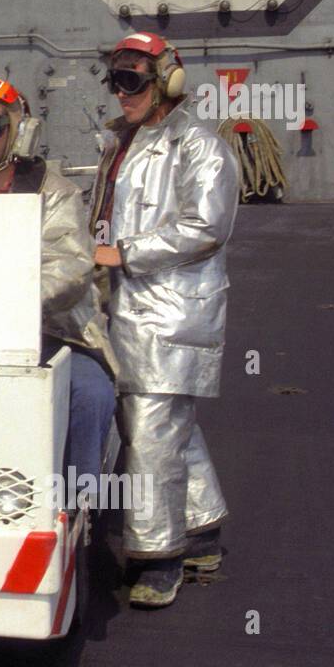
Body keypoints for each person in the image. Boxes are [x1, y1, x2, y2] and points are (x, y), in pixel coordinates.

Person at [89, 32, 239, 608]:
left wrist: (124, 253)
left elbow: (206, 227)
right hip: (129, 307)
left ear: (168, 82)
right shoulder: (124, 141)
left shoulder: (198, 146)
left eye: (133, 81)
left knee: (150, 430)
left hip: (171, 310)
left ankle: (157, 557)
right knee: (167, 420)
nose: (121, 91)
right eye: (116, 80)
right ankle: (202, 529)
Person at [0, 75, 118, 499]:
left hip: (54, 334)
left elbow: (68, 273)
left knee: (90, 394)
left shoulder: (55, 195)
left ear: (19, 133)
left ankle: (76, 509)